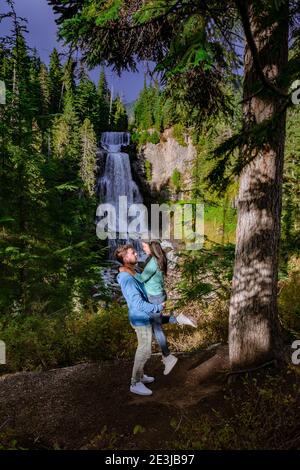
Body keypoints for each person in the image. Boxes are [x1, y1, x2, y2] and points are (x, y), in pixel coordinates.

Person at [136, 240, 197, 375]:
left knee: (156, 328)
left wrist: (128, 271)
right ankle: (178, 319)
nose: (143, 250)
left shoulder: (152, 263)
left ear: (151, 248)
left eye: (144, 247)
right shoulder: (158, 258)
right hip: (158, 295)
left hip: (154, 298)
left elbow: (141, 279)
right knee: (155, 323)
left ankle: (167, 356)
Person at [115, 244, 164, 396]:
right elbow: (137, 303)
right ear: (124, 258)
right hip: (140, 317)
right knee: (145, 350)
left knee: (144, 348)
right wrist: (156, 308)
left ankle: (141, 376)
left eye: (135, 251)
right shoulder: (127, 278)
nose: (137, 254)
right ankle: (135, 383)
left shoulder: (132, 271)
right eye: (132, 253)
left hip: (142, 316)